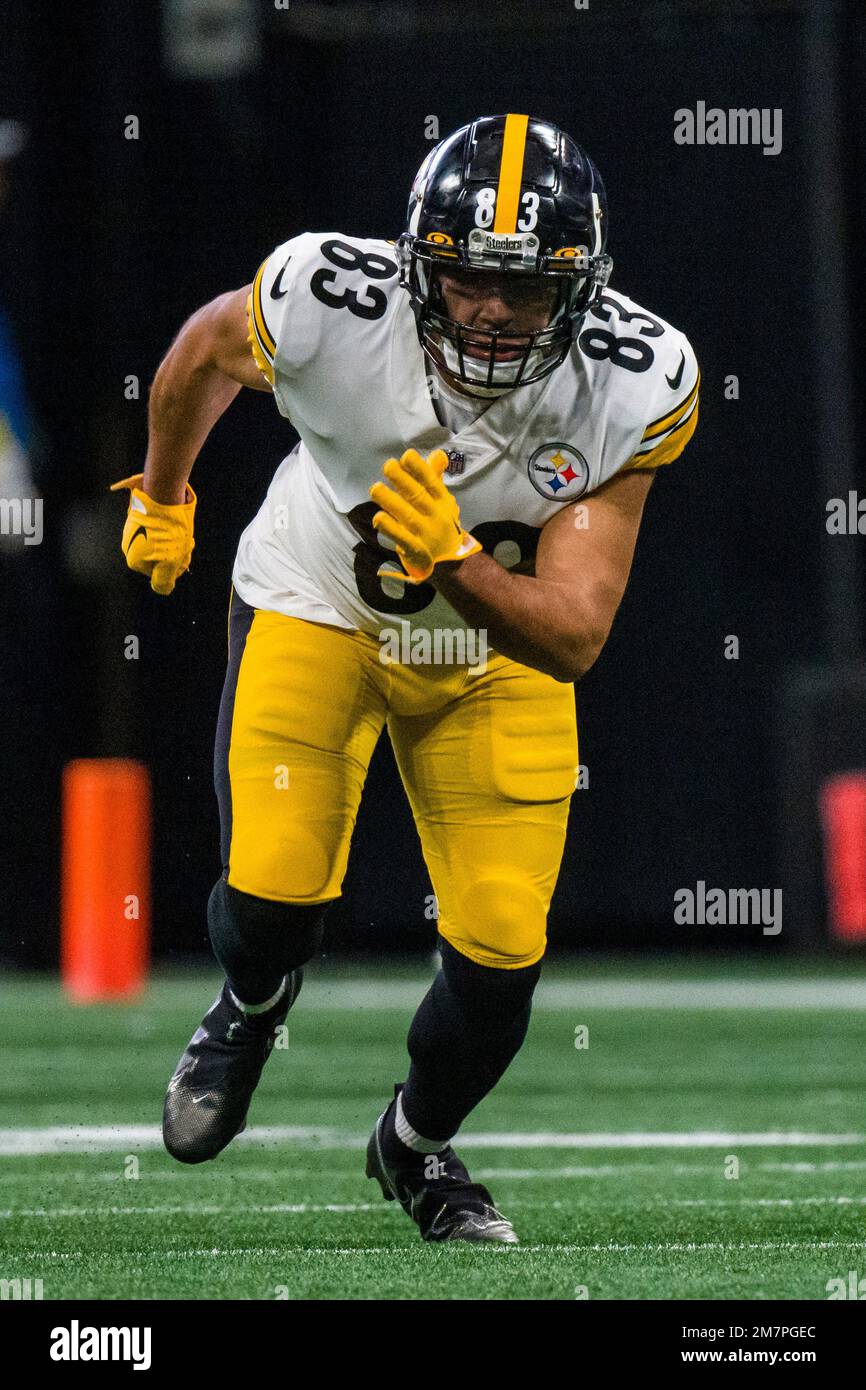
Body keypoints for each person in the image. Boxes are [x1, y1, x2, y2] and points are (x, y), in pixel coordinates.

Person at [113, 114, 699, 1244]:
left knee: (496, 962)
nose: (488, 307)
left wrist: (457, 565)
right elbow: (199, 350)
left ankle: (413, 1146)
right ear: (417, 262)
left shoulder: (634, 381)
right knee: (273, 897)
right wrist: (163, 493)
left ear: (582, 294)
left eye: (525, 290)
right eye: (468, 275)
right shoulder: (326, 299)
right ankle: (250, 1004)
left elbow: (572, 635)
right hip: (319, 606)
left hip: (494, 659)